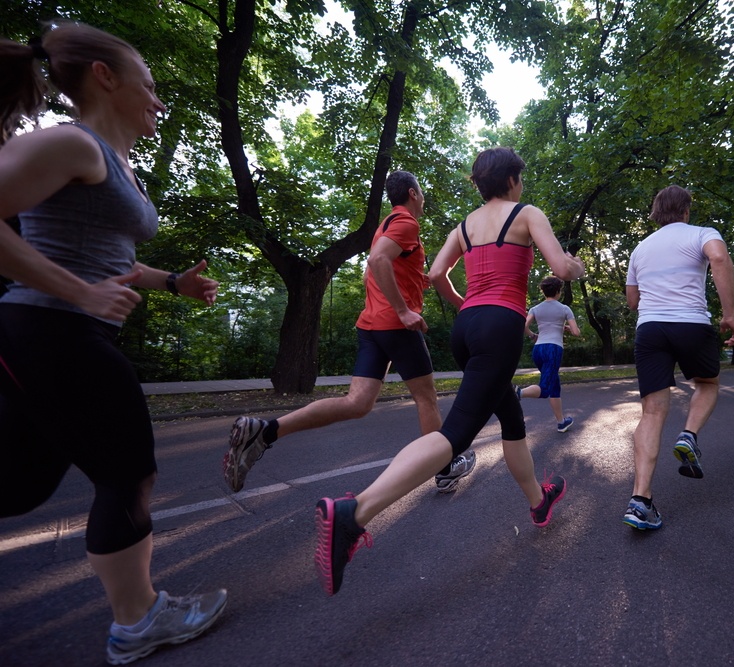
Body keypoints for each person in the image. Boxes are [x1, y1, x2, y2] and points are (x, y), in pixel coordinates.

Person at [0, 23, 226, 665]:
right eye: (148, 85)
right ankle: (138, 620)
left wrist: (172, 283)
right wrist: (79, 293)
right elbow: (79, 273)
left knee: (19, 485)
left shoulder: (110, 158)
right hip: (53, 330)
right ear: (104, 76)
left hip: (59, 331)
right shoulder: (75, 143)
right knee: (128, 474)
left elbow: (108, 256)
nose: (158, 100)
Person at [313, 147, 585, 596]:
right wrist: (574, 265)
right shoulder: (527, 213)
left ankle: (539, 501)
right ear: (513, 180)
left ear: (479, 184)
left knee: (511, 420)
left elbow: (436, 273)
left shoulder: (464, 226)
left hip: (468, 329)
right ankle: (355, 512)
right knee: (455, 435)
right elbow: (560, 267)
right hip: (499, 327)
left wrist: (465, 306)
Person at [223, 171, 476, 494]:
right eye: (422, 193)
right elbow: (378, 260)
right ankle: (444, 468)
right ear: (413, 193)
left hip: (371, 326)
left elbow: (391, 264)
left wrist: (423, 282)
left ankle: (265, 431)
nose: (423, 199)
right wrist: (402, 310)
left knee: (357, 403)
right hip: (395, 325)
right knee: (426, 398)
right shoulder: (405, 223)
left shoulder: (385, 224)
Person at [622, 185, 734, 531]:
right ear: (686, 210)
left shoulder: (640, 248)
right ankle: (688, 435)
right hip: (691, 323)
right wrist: (730, 313)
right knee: (707, 384)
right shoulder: (703, 234)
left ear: (657, 213)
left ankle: (640, 500)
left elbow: (633, 301)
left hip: (650, 330)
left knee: (652, 411)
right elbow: (718, 258)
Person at [514, 276, 581, 432]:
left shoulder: (535, 309)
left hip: (538, 349)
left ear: (544, 291)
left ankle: (561, 422)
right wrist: (569, 328)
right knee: (544, 390)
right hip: (553, 349)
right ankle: (518, 392)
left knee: (554, 386)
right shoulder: (565, 309)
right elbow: (577, 332)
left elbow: (523, 326)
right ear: (558, 291)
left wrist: (532, 335)